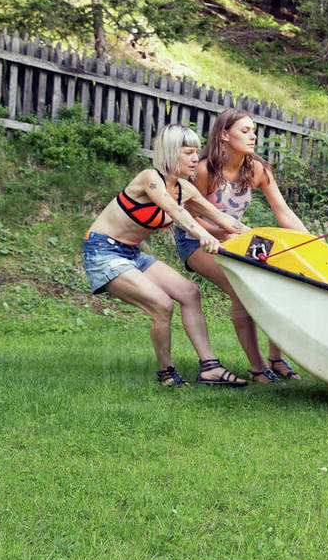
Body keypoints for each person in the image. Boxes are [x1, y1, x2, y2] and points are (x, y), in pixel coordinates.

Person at [83, 123, 251, 387]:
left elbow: (225, 220)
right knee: (162, 306)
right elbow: (173, 210)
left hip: (131, 254)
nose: (196, 158)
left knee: (189, 292)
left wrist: (263, 236)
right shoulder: (149, 178)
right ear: (171, 152)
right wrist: (202, 234)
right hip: (103, 252)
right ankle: (167, 374)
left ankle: (210, 368)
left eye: (197, 152)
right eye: (189, 152)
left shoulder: (186, 189)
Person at [173, 108, 310, 384]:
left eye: (254, 132)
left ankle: (276, 358)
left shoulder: (257, 168)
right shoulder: (205, 170)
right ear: (224, 135)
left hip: (235, 238)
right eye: (245, 131)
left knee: (280, 278)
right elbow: (191, 217)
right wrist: (227, 231)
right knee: (241, 286)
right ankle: (258, 368)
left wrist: (309, 242)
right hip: (196, 239)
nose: (253, 137)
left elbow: (283, 212)